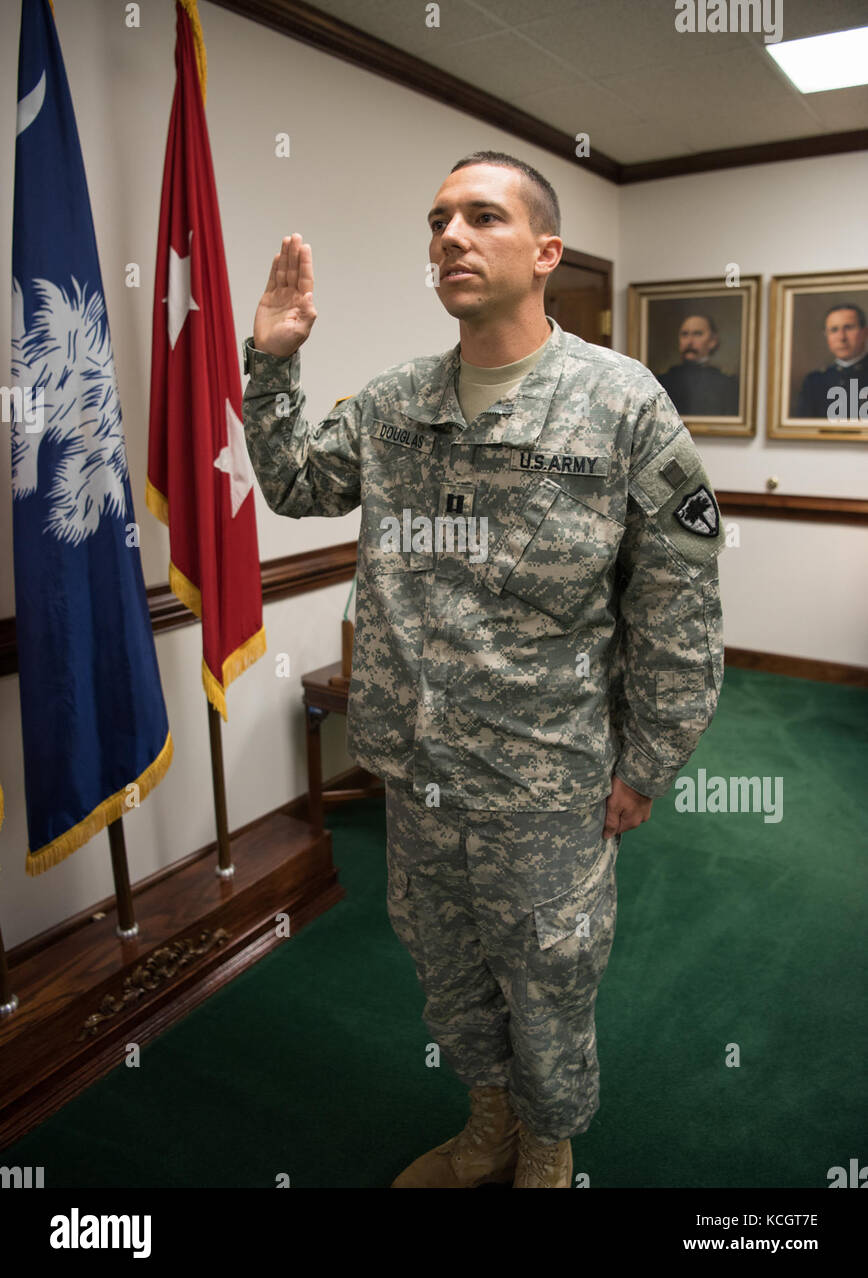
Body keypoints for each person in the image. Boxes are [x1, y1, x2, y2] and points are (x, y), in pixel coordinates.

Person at [242, 150, 725, 1189]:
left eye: (481, 216)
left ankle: (547, 1152)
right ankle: (487, 1126)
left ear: (545, 251)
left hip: (546, 780)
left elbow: (679, 602)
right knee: (449, 974)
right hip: (418, 773)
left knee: (548, 980)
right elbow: (291, 484)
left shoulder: (621, 404)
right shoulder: (396, 403)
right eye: (437, 219)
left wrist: (646, 762)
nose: (450, 236)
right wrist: (272, 359)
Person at [793, 303, 868, 419]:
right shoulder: (814, 381)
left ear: (865, 332)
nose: (841, 337)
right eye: (834, 330)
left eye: (848, 328)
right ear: (826, 336)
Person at [657, 313, 739, 416]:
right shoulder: (662, 382)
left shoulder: (727, 385)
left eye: (697, 334)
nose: (689, 341)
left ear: (713, 341)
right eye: (685, 334)